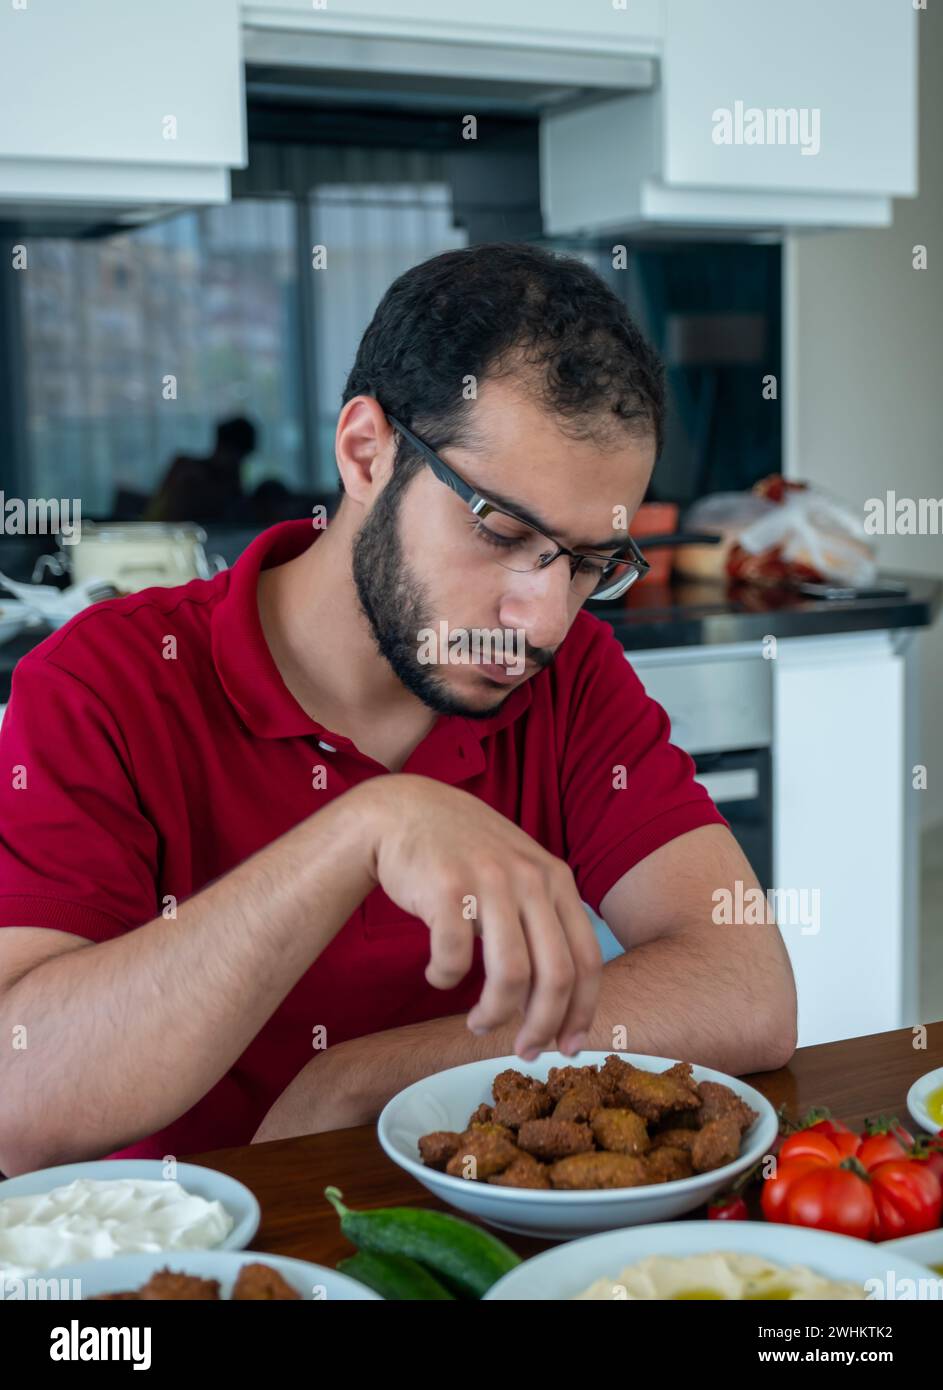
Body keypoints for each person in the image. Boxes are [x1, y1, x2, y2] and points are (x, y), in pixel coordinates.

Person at [0, 244, 797, 1174]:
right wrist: (364, 829)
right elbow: (20, 1101)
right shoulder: (103, 682)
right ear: (366, 453)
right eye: (501, 530)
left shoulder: (569, 673)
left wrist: (362, 1082)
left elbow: (748, 988)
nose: (540, 618)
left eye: (587, 564)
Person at [145, 416, 257, 522]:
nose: (237, 463)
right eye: (237, 456)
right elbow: (160, 516)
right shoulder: (188, 472)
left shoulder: (229, 481)